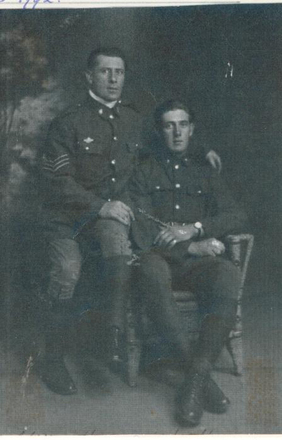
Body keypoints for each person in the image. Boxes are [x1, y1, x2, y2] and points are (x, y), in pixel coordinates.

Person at [39, 46, 222, 396]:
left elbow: (169, 140)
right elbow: (56, 182)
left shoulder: (133, 120)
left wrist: (203, 149)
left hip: (109, 221)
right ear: (89, 76)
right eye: (105, 71)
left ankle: (114, 336)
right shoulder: (67, 122)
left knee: (117, 236)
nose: (112, 79)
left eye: (119, 72)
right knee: (67, 271)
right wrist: (100, 205)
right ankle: (53, 359)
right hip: (68, 221)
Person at [128, 99, 247, 427]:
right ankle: (201, 381)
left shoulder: (205, 171)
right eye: (169, 125)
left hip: (196, 267)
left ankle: (194, 379)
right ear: (160, 131)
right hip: (161, 261)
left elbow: (236, 214)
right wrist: (192, 247)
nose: (177, 131)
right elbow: (140, 226)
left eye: (183, 125)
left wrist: (196, 228)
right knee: (149, 269)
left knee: (227, 273)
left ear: (192, 130)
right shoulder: (144, 171)